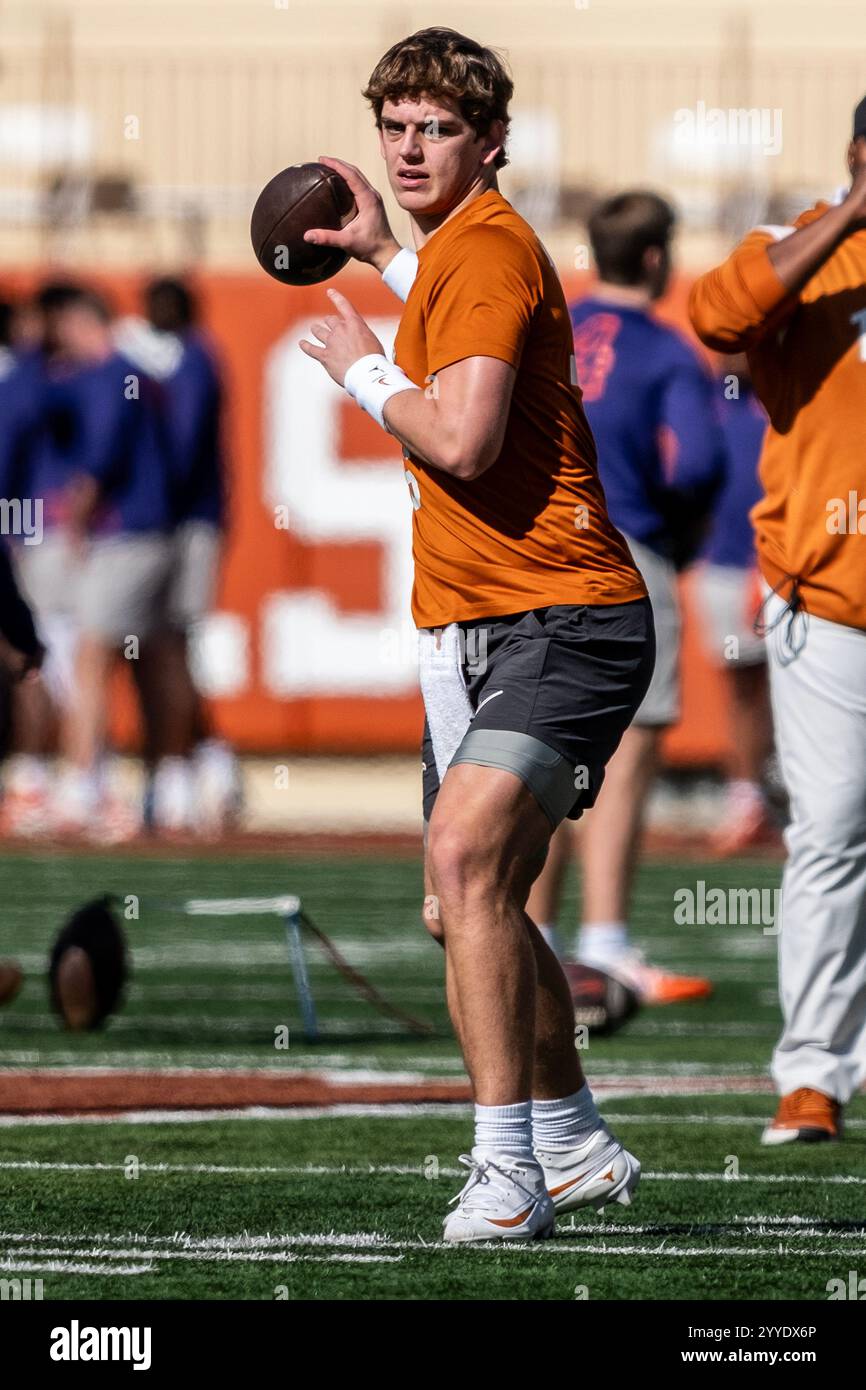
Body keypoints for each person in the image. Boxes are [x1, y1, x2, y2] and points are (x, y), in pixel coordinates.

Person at [300, 27, 655, 1241]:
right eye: (393, 126)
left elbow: (460, 438)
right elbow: (454, 322)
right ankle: (570, 1140)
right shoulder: (457, 249)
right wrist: (388, 260)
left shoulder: (491, 246)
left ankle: (503, 1171)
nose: (407, 147)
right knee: (470, 901)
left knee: (467, 865)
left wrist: (357, 371)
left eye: (434, 128)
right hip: (470, 623)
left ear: (489, 139)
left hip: (563, 614)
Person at [690, 97, 866, 1145]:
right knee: (832, 833)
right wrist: (849, 216)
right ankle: (812, 1073)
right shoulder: (799, 245)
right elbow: (717, 315)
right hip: (830, 602)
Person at [525, 191, 726, 1004]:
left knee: (540, 746)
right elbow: (699, 465)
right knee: (630, 745)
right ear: (655, 258)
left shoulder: (557, 327)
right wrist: (677, 531)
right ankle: (605, 942)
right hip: (627, 551)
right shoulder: (668, 351)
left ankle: (534, 937)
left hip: (540, 551)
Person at [52, 289, 175, 842]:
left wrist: (75, 520)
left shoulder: (113, 376)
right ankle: (165, 785)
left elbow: (101, 457)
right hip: (149, 531)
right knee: (152, 658)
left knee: (92, 654)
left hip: (126, 534)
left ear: (85, 323)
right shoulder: (136, 374)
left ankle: (87, 786)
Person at [116, 277, 238, 835]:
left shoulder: (191, 362)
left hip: (186, 523)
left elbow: (183, 447)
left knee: (171, 645)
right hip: (177, 521)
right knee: (162, 648)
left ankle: (199, 766)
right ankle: (192, 765)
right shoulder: (178, 361)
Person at [693, 353, 776, 856]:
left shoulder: (796, 389)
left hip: (791, 567)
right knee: (742, 687)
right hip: (728, 565)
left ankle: (790, 798)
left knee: (804, 689)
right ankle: (746, 800)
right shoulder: (712, 400)